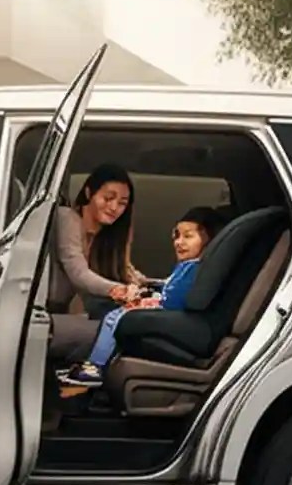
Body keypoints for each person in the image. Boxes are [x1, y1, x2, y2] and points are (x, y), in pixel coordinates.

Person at [58, 206, 226, 387]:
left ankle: (95, 366)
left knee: (114, 317)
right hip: (172, 311)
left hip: (174, 314)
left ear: (209, 239)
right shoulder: (192, 266)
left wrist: (152, 301)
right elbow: (168, 286)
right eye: (176, 236)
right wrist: (150, 292)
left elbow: (175, 298)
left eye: (188, 236)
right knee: (115, 315)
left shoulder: (194, 268)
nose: (179, 242)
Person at [46, 164, 146, 360]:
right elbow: (79, 273)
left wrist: (154, 287)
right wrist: (119, 290)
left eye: (122, 203)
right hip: (42, 318)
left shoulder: (105, 238)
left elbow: (129, 272)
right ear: (89, 192)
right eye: (108, 198)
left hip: (67, 316)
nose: (114, 208)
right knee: (114, 334)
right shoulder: (67, 218)